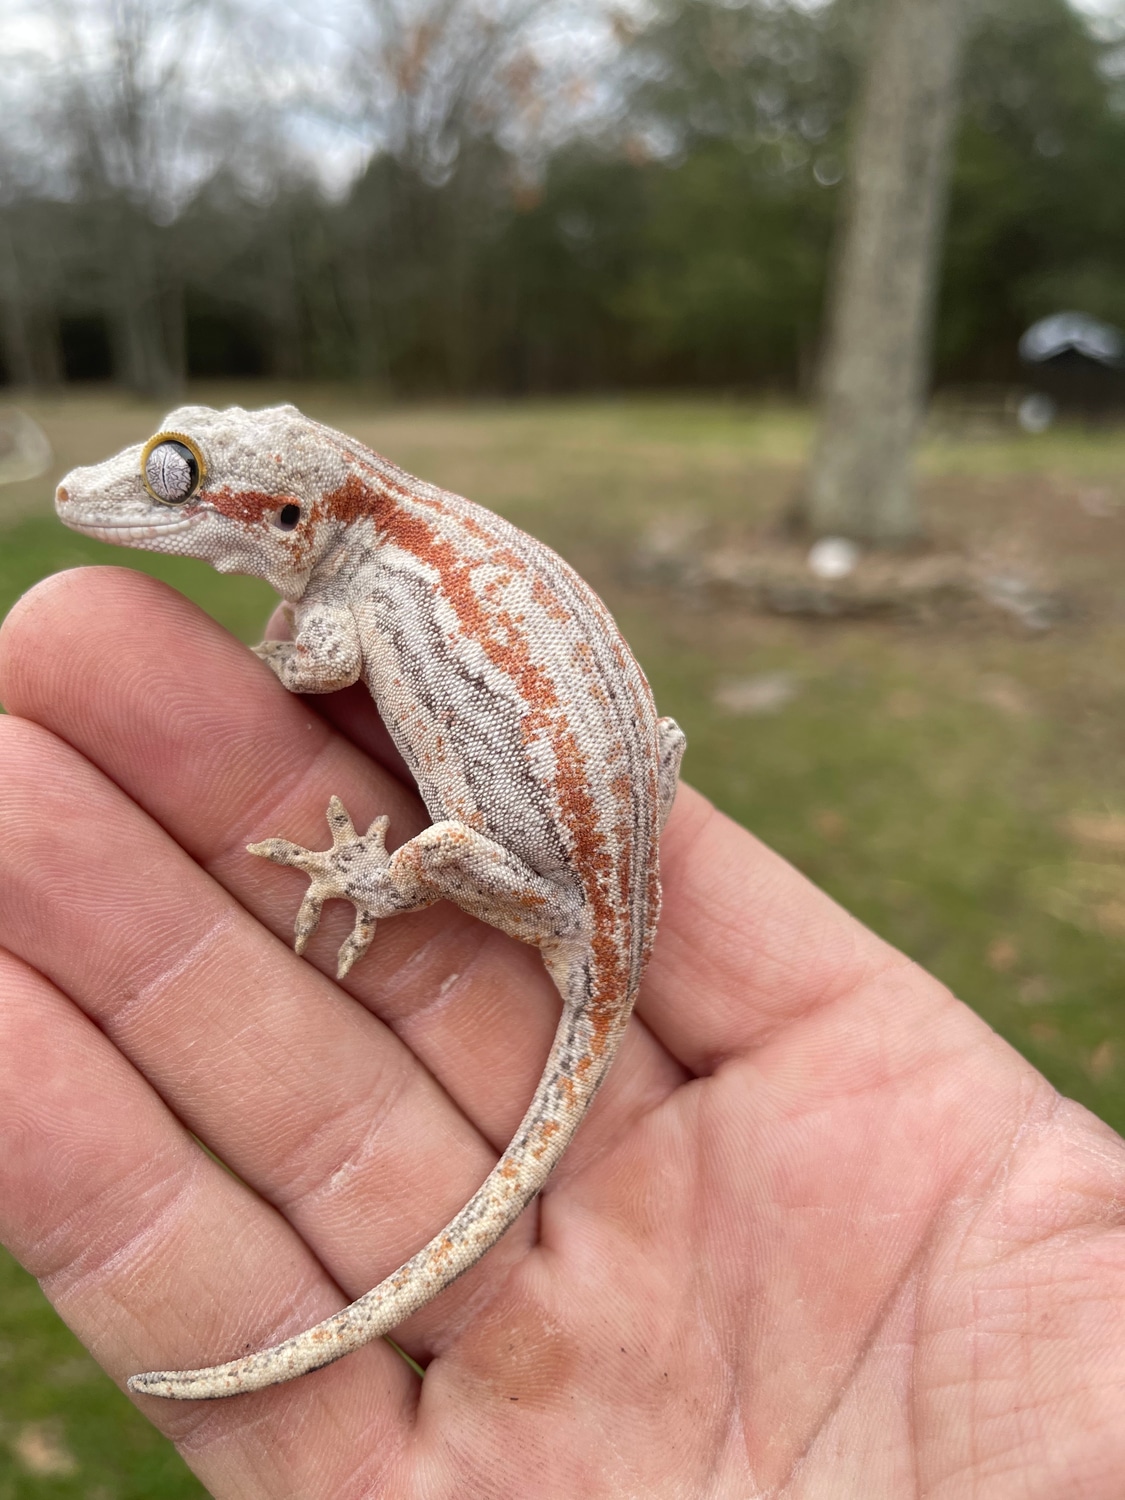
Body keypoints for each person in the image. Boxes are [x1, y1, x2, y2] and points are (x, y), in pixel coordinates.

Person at [1, 565, 1123, 1498]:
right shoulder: (392, 562)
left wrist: (369, 875)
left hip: (569, 888)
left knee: (435, 852)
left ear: (291, 515)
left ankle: (383, 884)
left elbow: (310, 666)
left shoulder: (366, 579)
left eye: (177, 484)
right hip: (609, 842)